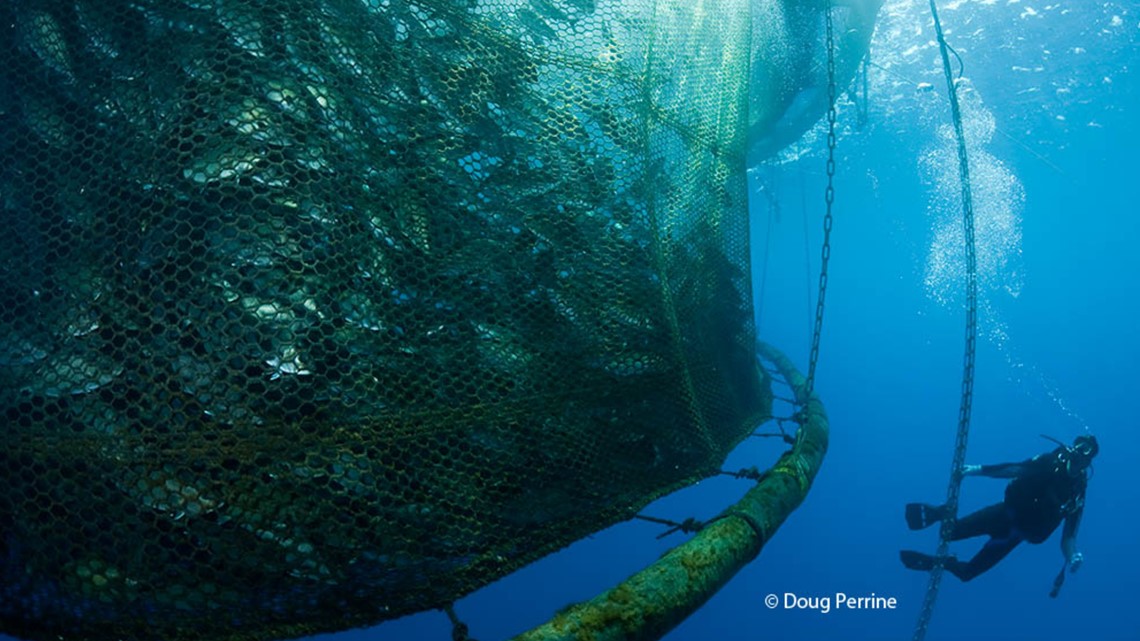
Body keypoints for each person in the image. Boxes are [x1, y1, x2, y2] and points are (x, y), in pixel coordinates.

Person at [899, 434, 1098, 583]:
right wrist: (977, 470)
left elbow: (1069, 537)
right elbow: (1014, 469)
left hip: (1013, 536)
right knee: (947, 533)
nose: (1081, 452)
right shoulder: (1049, 462)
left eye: (1087, 451)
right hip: (1003, 514)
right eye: (1079, 446)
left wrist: (1073, 556)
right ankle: (943, 512)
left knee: (967, 574)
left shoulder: (1077, 493)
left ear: (1089, 462)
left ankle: (947, 563)